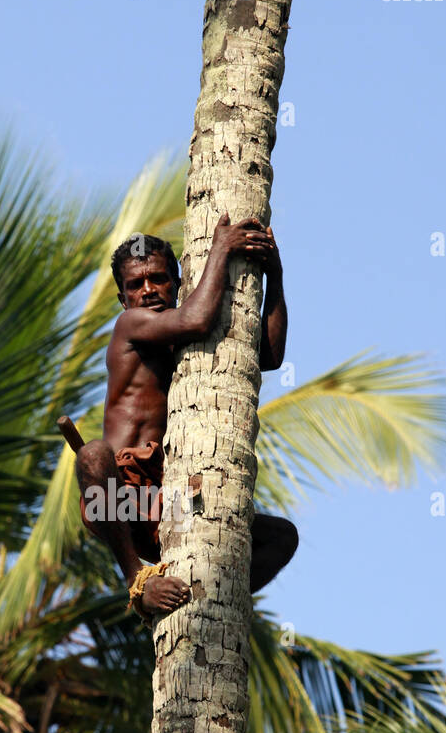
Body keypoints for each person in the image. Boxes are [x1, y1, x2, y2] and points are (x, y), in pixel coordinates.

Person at [75, 213, 298, 622]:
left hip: (171, 504)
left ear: (178, 282)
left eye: (158, 279)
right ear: (123, 299)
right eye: (135, 285)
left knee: (282, 538)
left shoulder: (181, 338)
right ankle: (138, 584)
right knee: (92, 455)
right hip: (119, 499)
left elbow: (267, 355)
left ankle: (211, 598)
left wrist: (274, 276)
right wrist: (223, 247)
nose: (148, 291)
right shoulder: (132, 325)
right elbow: (195, 319)